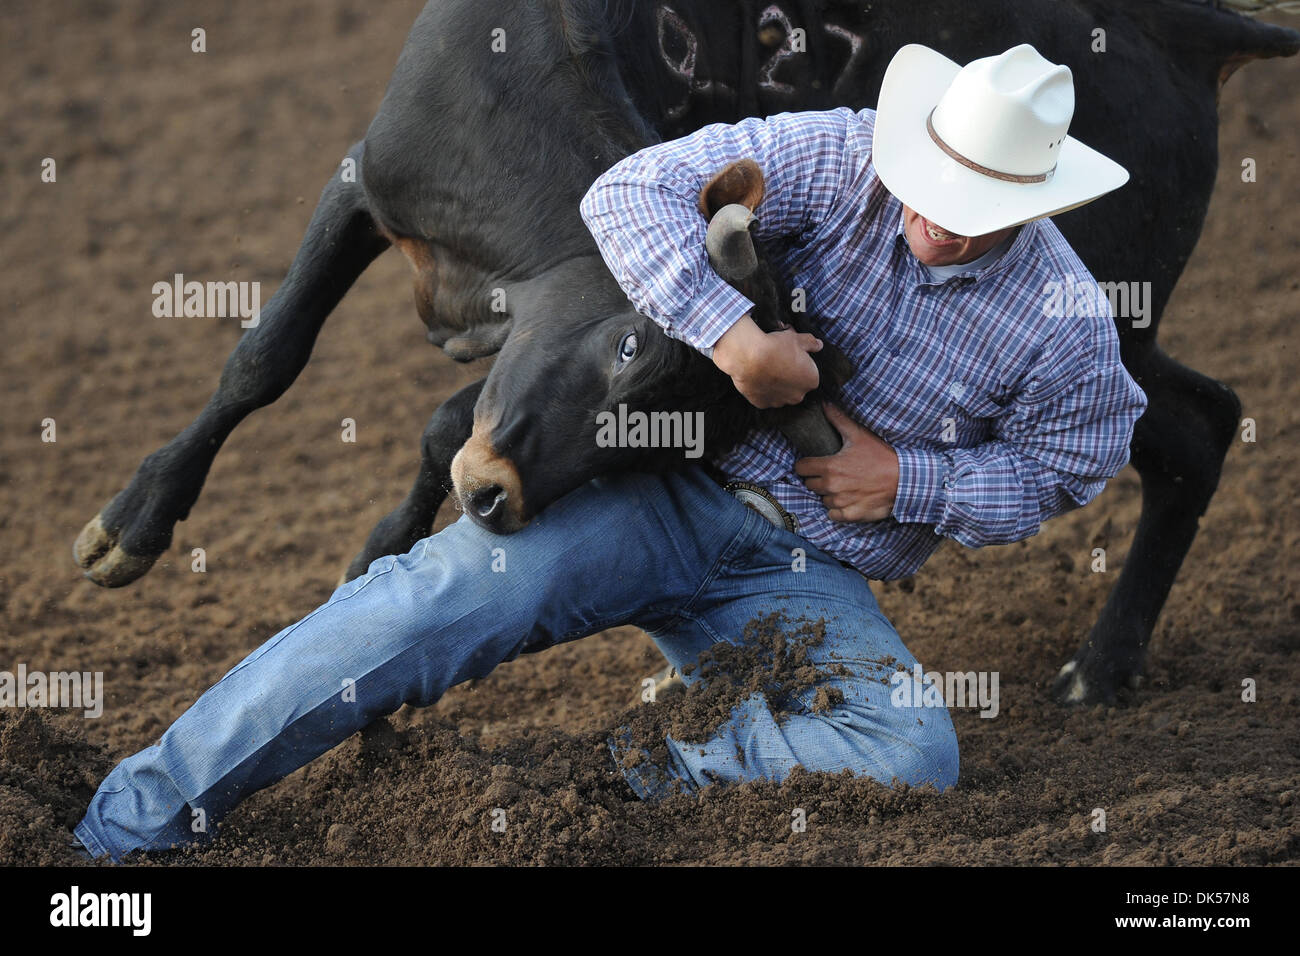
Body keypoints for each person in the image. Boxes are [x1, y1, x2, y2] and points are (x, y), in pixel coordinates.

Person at [73, 43, 1146, 861]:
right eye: (930, 185)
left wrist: (909, 480)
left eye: (972, 211)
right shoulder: (841, 152)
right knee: (419, 607)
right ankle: (120, 830)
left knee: (911, 753)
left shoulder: (1061, 318)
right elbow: (627, 191)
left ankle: (634, 764)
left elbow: (1071, 463)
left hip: (811, 573)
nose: (935, 220)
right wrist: (738, 342)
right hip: (662, 486)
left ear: (1033, 202)